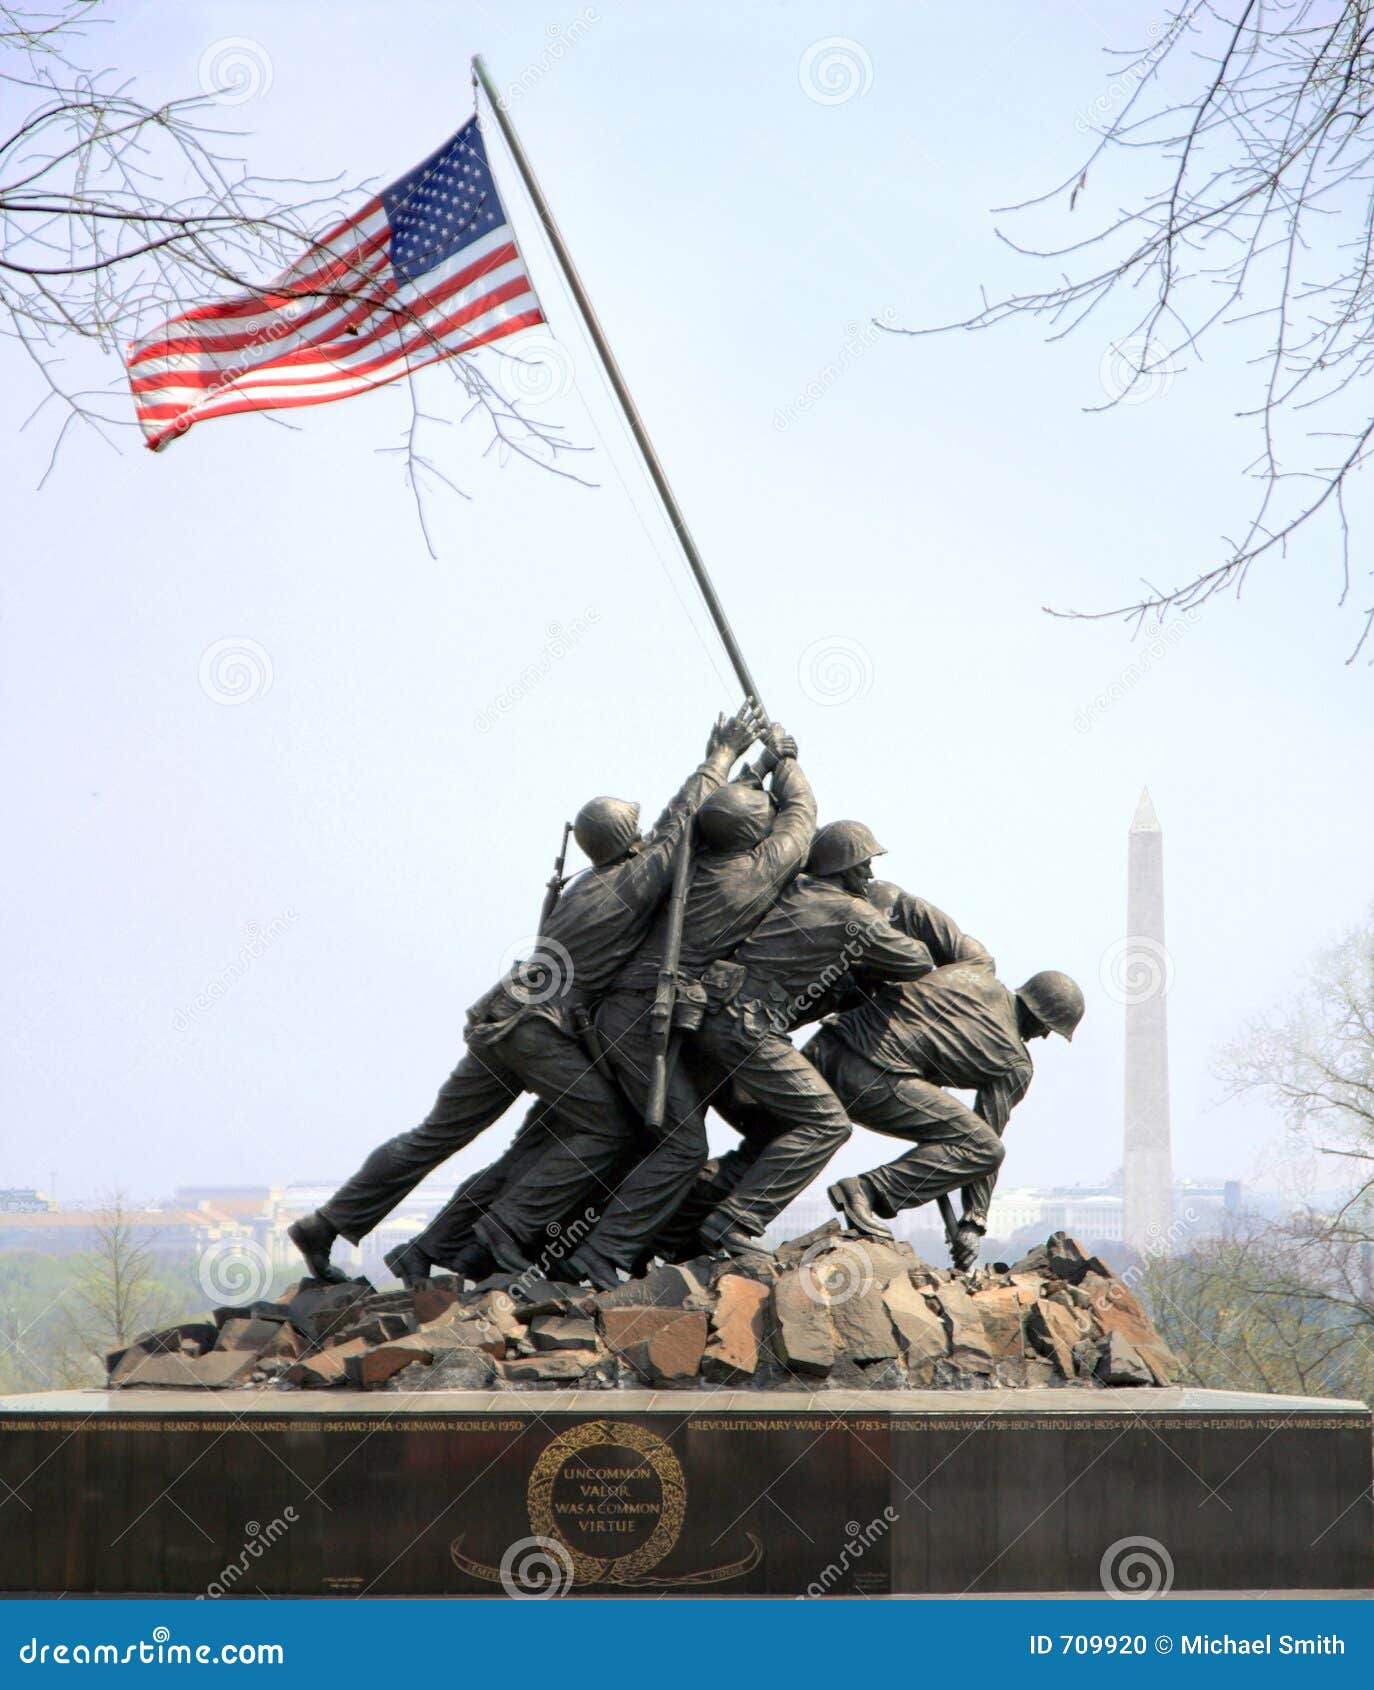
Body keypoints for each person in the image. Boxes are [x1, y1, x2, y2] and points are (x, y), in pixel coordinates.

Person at [286, 706, 761, 1283]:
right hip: (540, 1031)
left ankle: (327, 1223)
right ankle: (504, 1231)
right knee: (607, 1128)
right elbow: (682, 819)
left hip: (502, 1018)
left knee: (433, 1137)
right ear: (629, 838)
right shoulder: (629, 882)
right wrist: (721, 755)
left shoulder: (582, 884)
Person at [552, 725, 817, 1286]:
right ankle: (600, 1251)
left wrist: (749, 764)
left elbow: (704, 815)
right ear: (753, 837)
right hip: (641, 1020)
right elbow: (801, 819)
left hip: (631, 1016)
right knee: (682, 1144)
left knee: (666, 1136)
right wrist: (787, 762)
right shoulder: (750, 874)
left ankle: (623, 1242)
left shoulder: (685, 858)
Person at [680, 821, 939, 1255]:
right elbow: (917, 961)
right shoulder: (851, 913)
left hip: (715, 1019)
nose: (870, 877)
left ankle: (679, 1230)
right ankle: (733, 1222)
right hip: (747, 1028)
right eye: (865, 866)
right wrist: (887, 915)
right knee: (827, 1124)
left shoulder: (795, 889)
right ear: (844, 867)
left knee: (776, 1129)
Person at [805, 943, 1084, 1270]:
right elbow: (985, 1142)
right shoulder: (1015, 1064)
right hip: (868, 1079)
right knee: (983, 1148)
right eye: (1050, 1028)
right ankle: (866, 1191)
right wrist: (973, 1222)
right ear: (1041, 1017)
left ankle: (735, 1212)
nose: (1046, 1037)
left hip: (825, 1047)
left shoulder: (973, 970)